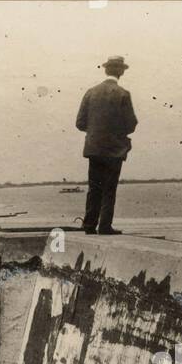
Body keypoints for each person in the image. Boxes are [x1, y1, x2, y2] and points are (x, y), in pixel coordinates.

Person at [75, 55, 137, 235]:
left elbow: (80, 123)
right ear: (121, 72)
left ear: (106, 70)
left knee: (94, 188)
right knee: (109, 189)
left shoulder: (90, 92)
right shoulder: (123, 94)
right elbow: (131, 124)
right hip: (114, 150)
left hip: (94, 148)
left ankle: (89, 225)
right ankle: (105, 226)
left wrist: (96, 131)